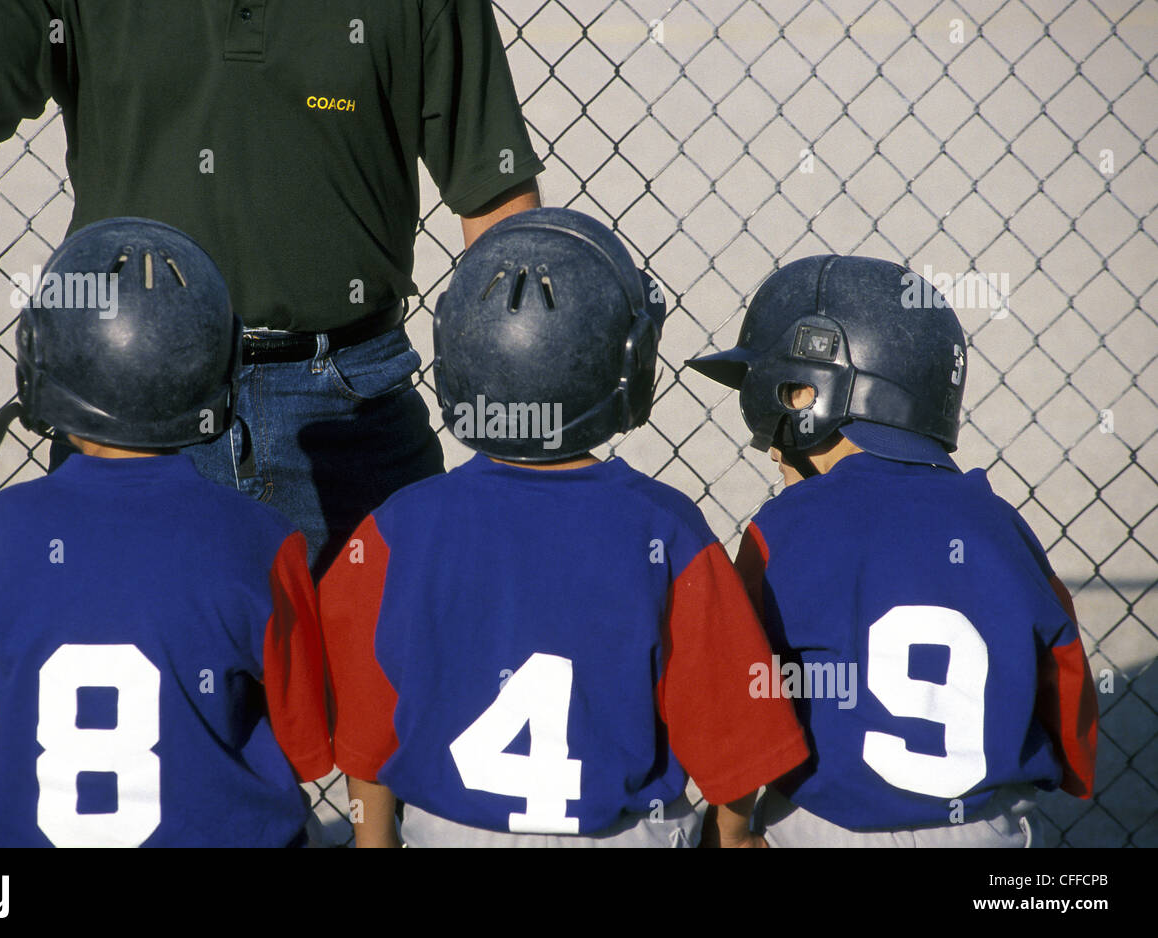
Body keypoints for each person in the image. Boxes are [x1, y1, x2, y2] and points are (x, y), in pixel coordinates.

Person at [0, 0, 545, 576]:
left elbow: (494, 199)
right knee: (139, 722)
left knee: (368, 717)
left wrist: (530, 427)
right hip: (128, 408)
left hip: (349, 407)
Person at [321, 208, 810, 847]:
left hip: (452, 833)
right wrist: (737, 835)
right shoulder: (665, 530)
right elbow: (732, 732)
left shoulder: (396, 527)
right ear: (628, 369)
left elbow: (366, 732)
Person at [0, 219, 332, 846]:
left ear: (42, 363)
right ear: (218, 367)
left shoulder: (7, 526)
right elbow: (309, 748)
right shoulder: (261, 538)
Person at [686, 254, 1099, 847]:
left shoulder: (783, 528)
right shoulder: (1000, 525)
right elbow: (1065, 676)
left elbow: (742, 704)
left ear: (808, 395)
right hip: (984, 830)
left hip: (828, 827)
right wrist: (1072, 770)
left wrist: (731, 829)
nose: (771, 450)